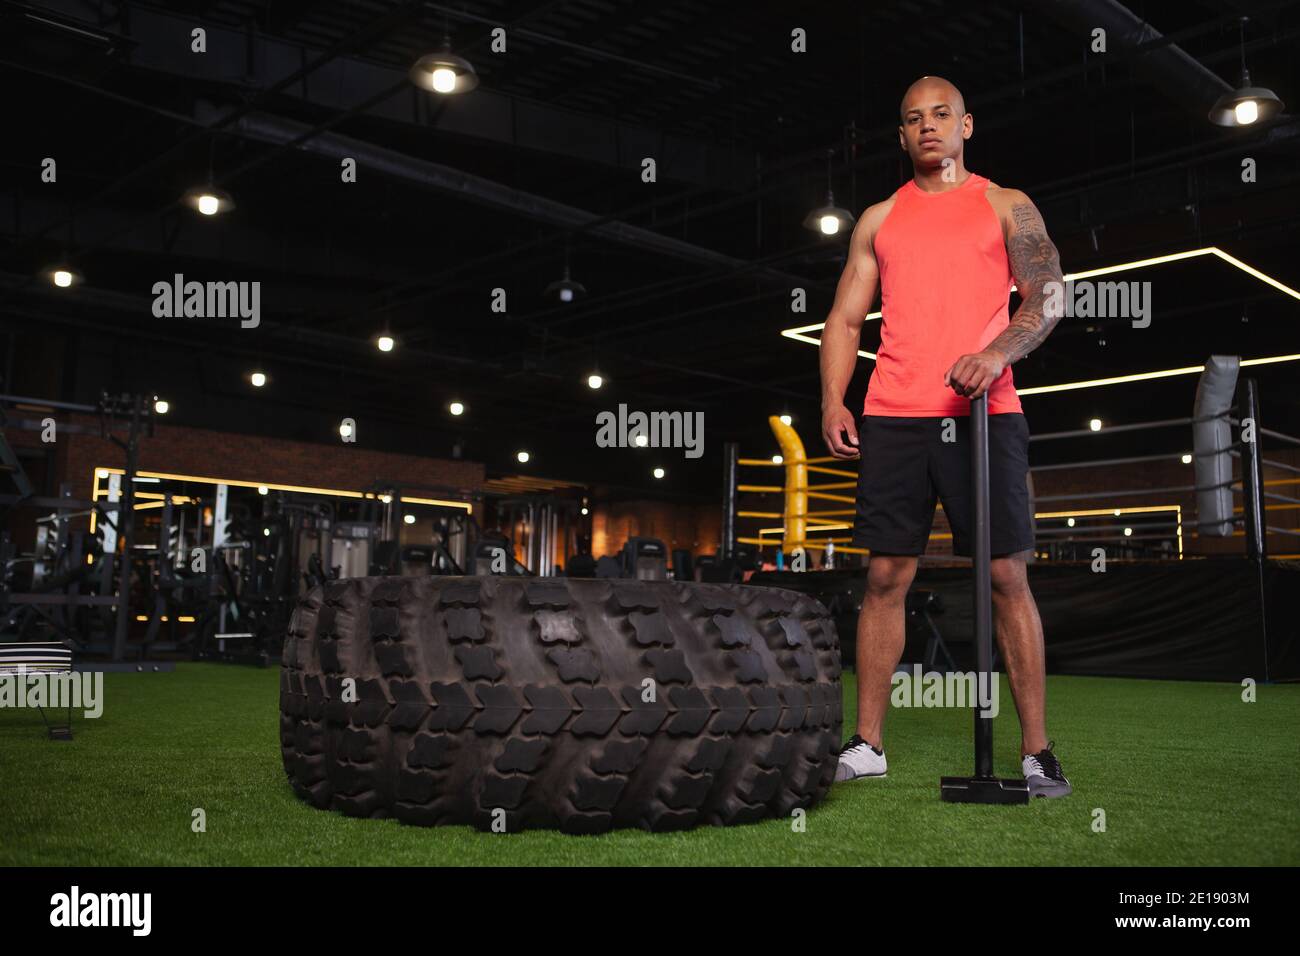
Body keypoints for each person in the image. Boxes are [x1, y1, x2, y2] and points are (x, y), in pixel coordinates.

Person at [818, 76, 1070, 797]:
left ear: (966, 125)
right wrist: (835, 398)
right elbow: (843, 319)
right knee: (886, 577)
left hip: (985, 413)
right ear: (901, 138)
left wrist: (998, 352)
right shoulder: (877, 219)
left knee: (1005, 575)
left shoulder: (1004, 204)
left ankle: (1036, 752)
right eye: (911, 120)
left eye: (940, 115)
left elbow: (1049, 290)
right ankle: (867, 743)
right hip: (894, 414)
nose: (927, 127)